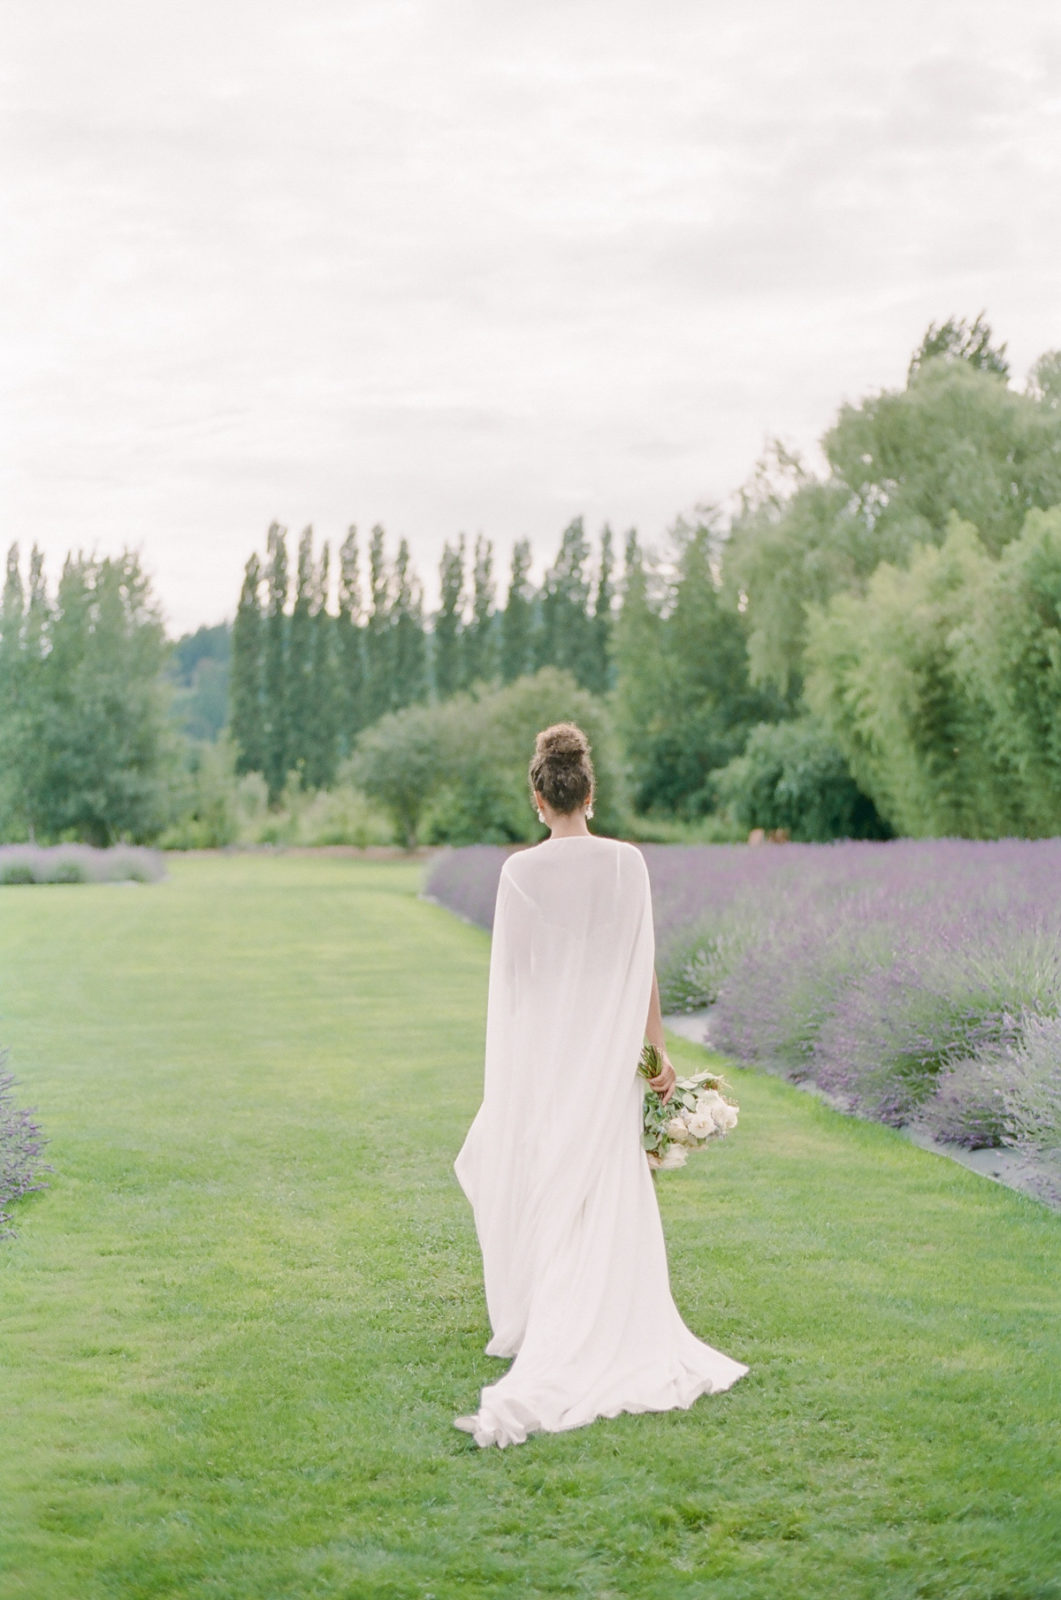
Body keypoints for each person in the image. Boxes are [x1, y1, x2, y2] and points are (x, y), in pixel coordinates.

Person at [453, 722, 748, 1448]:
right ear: (590, 790)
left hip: (551, 1051)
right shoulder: (625, 864)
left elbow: (514, 982)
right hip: (608, 1047)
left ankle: (553, 1311)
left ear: (538, 796)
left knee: (555, 1174)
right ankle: (603, 1309)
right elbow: (639, 964)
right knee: (605, 1176)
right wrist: (654, 1051)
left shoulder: (520, 873)